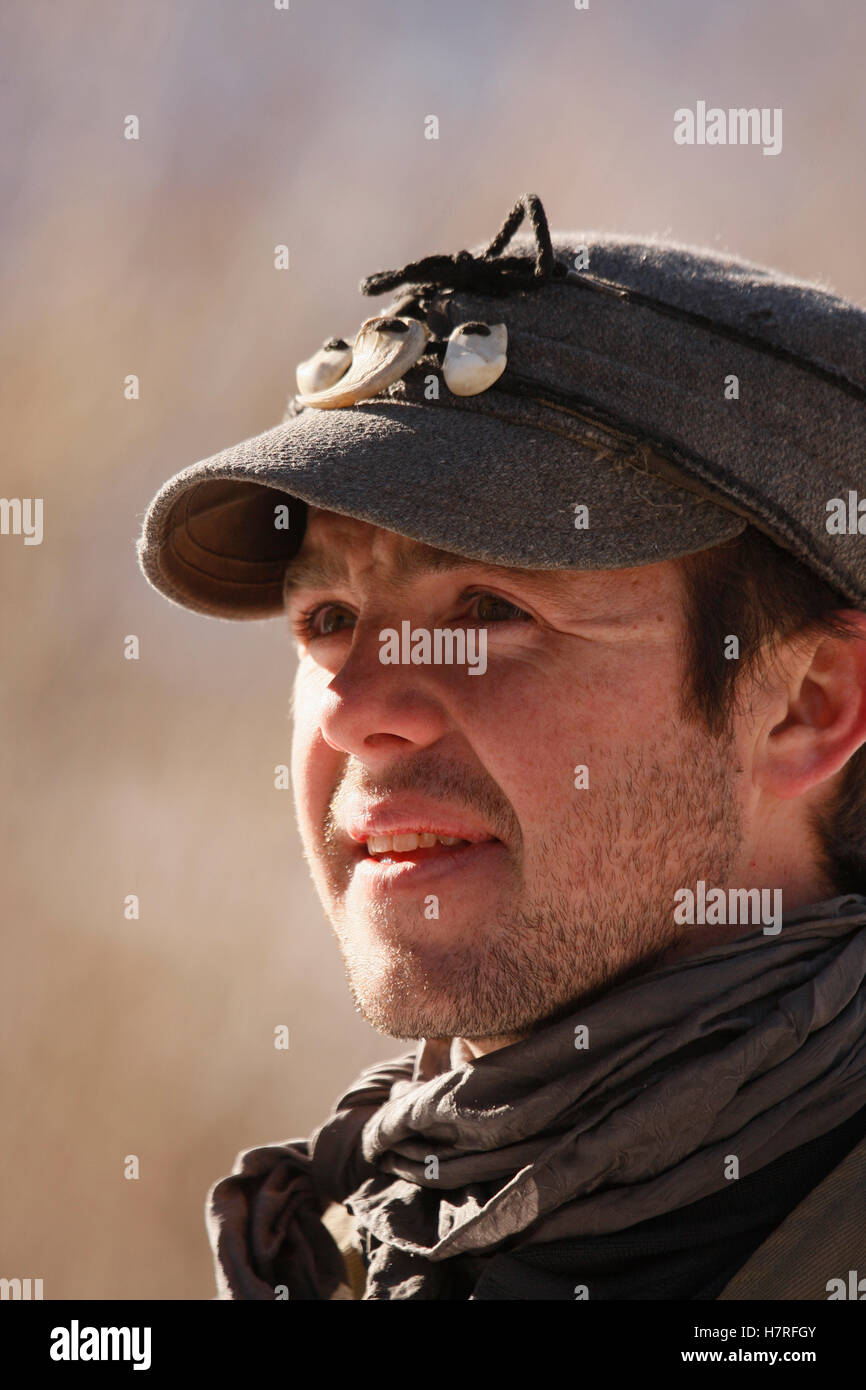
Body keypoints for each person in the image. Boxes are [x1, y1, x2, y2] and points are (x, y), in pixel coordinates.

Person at [138, 194, 866, 1300]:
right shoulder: (333, 1251)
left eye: (484, 609)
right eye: (328, 620)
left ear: (806, 703)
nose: (350, 710)